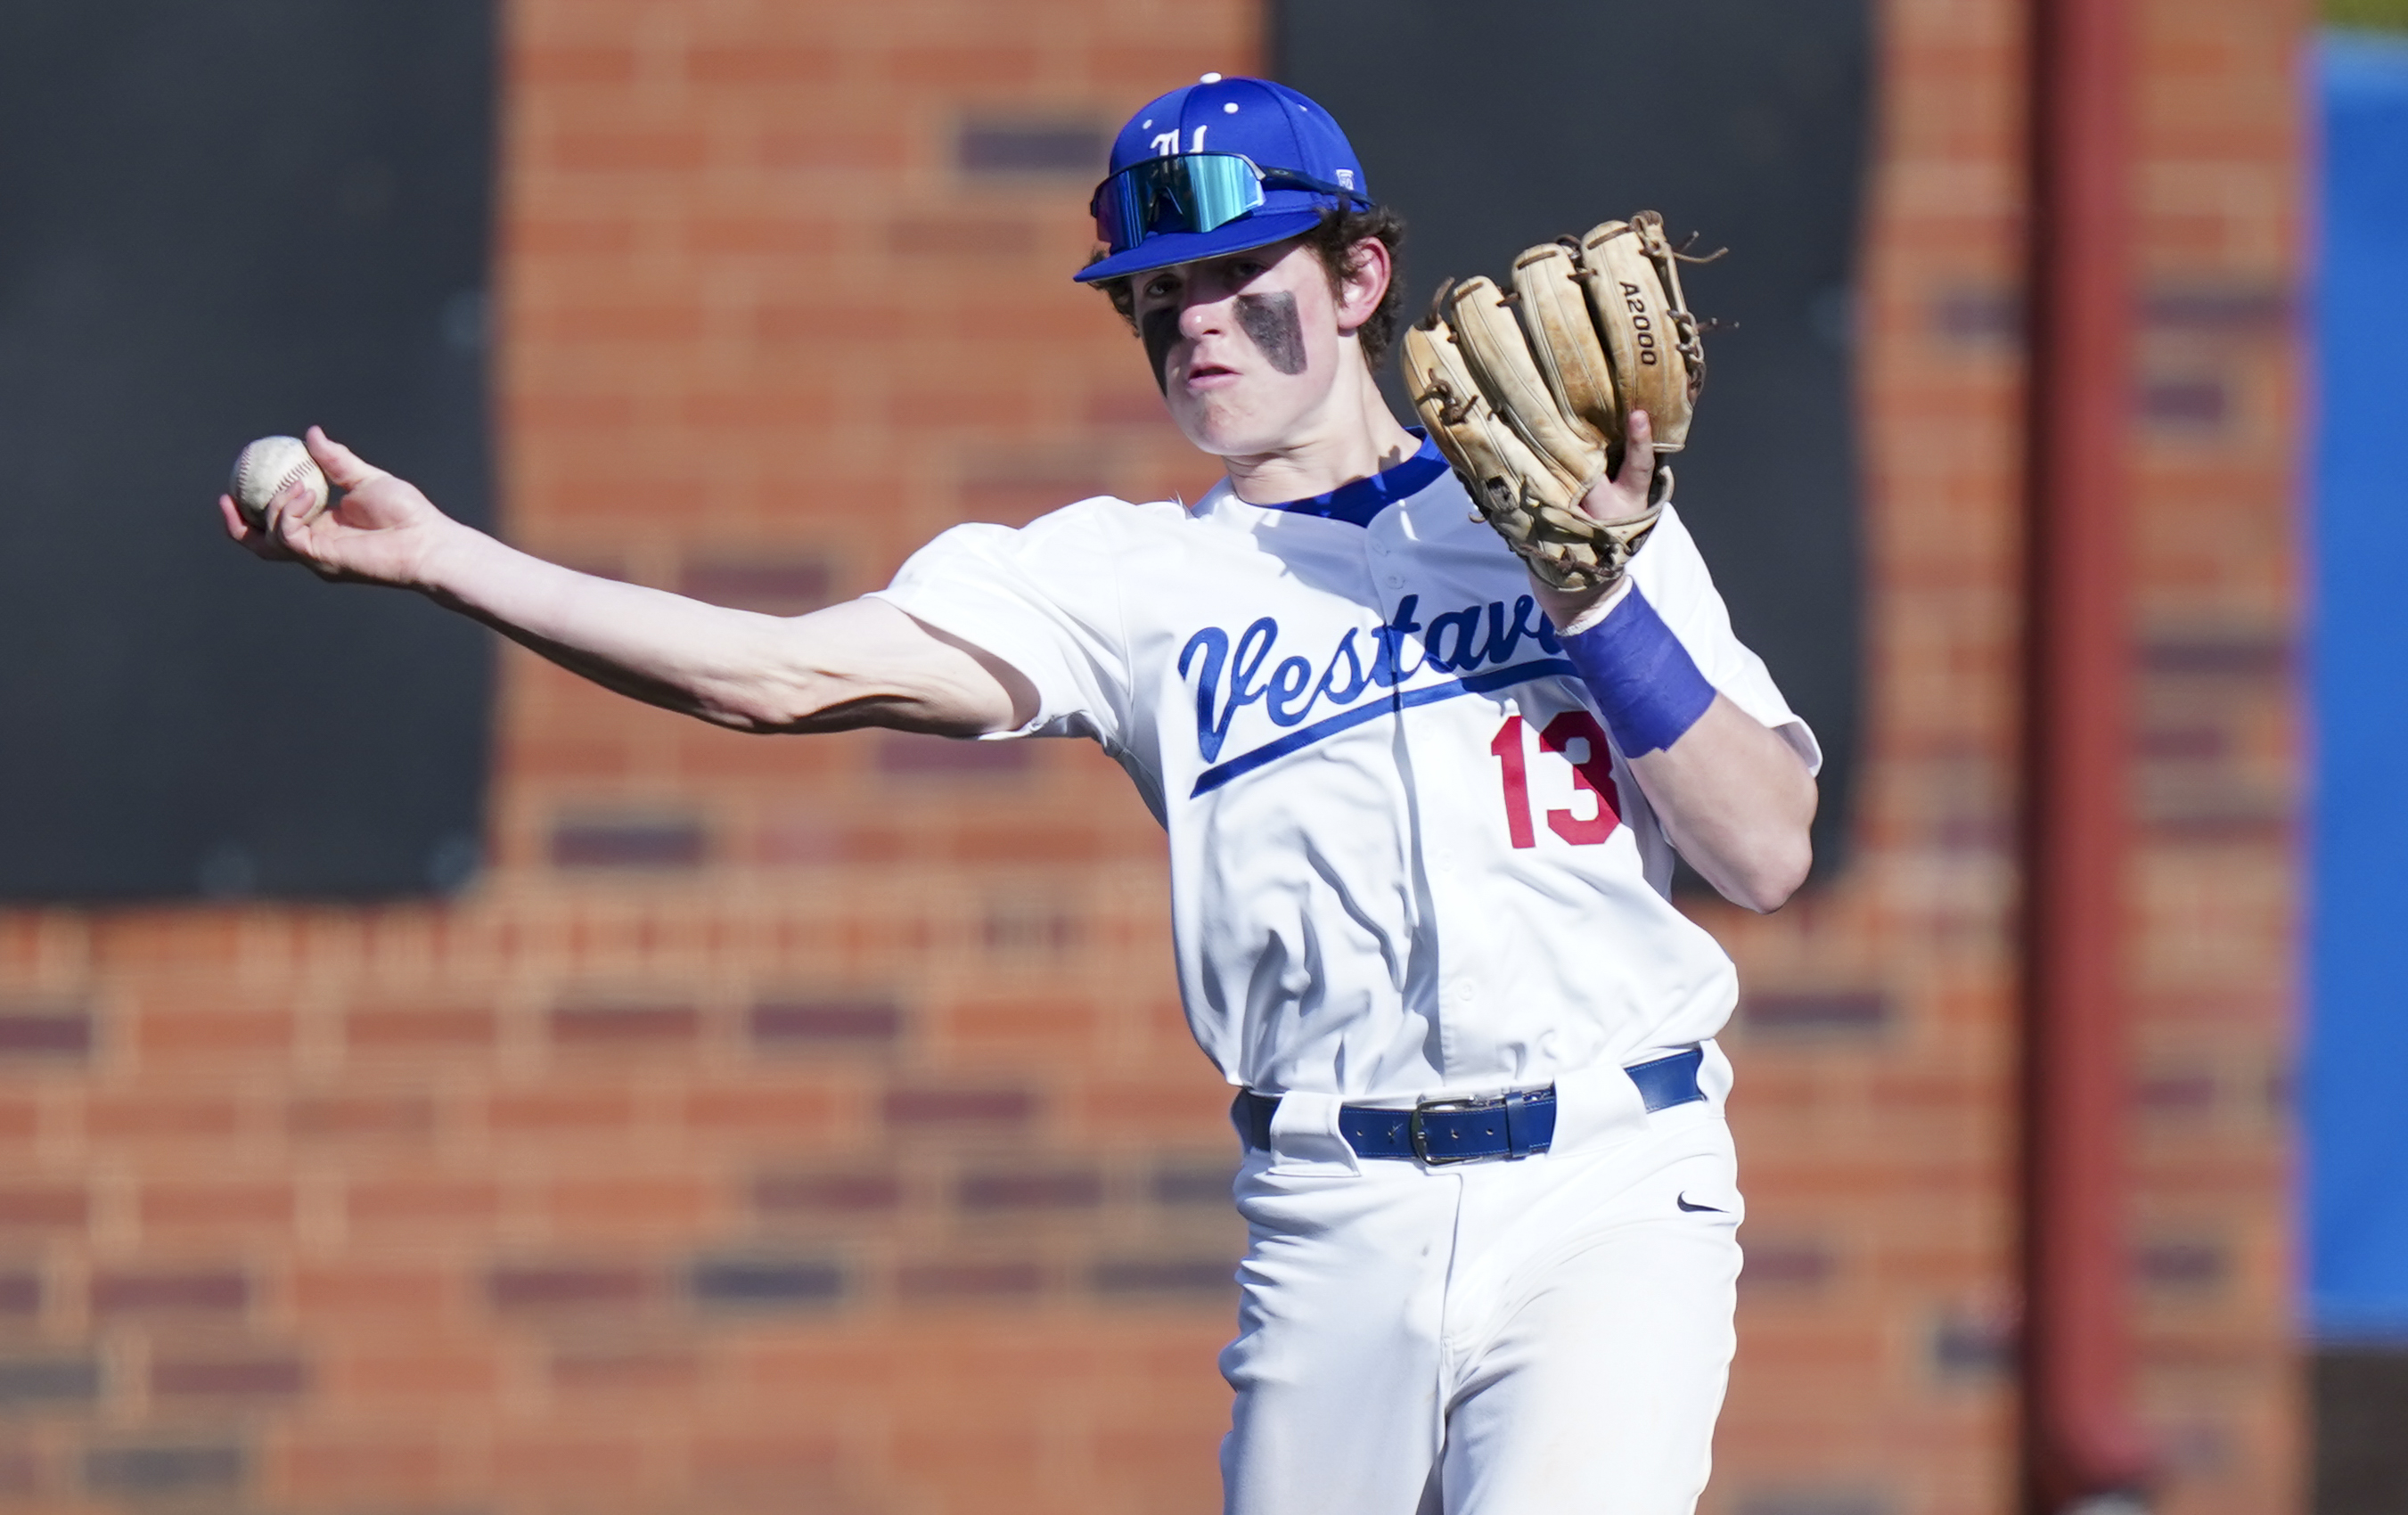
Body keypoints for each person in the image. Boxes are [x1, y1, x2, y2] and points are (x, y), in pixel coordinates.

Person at [224, 72, 1817, 1515]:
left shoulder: (1563, 512)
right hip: (1331, 1213)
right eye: (1156, 292)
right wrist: (447, 560)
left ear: (1357, 281)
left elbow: (1762, 852)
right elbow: (774, 675)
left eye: (1236, 273)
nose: (1192, 320)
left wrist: (1596, 595)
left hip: (1610, 1188)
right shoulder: (1126, 583)